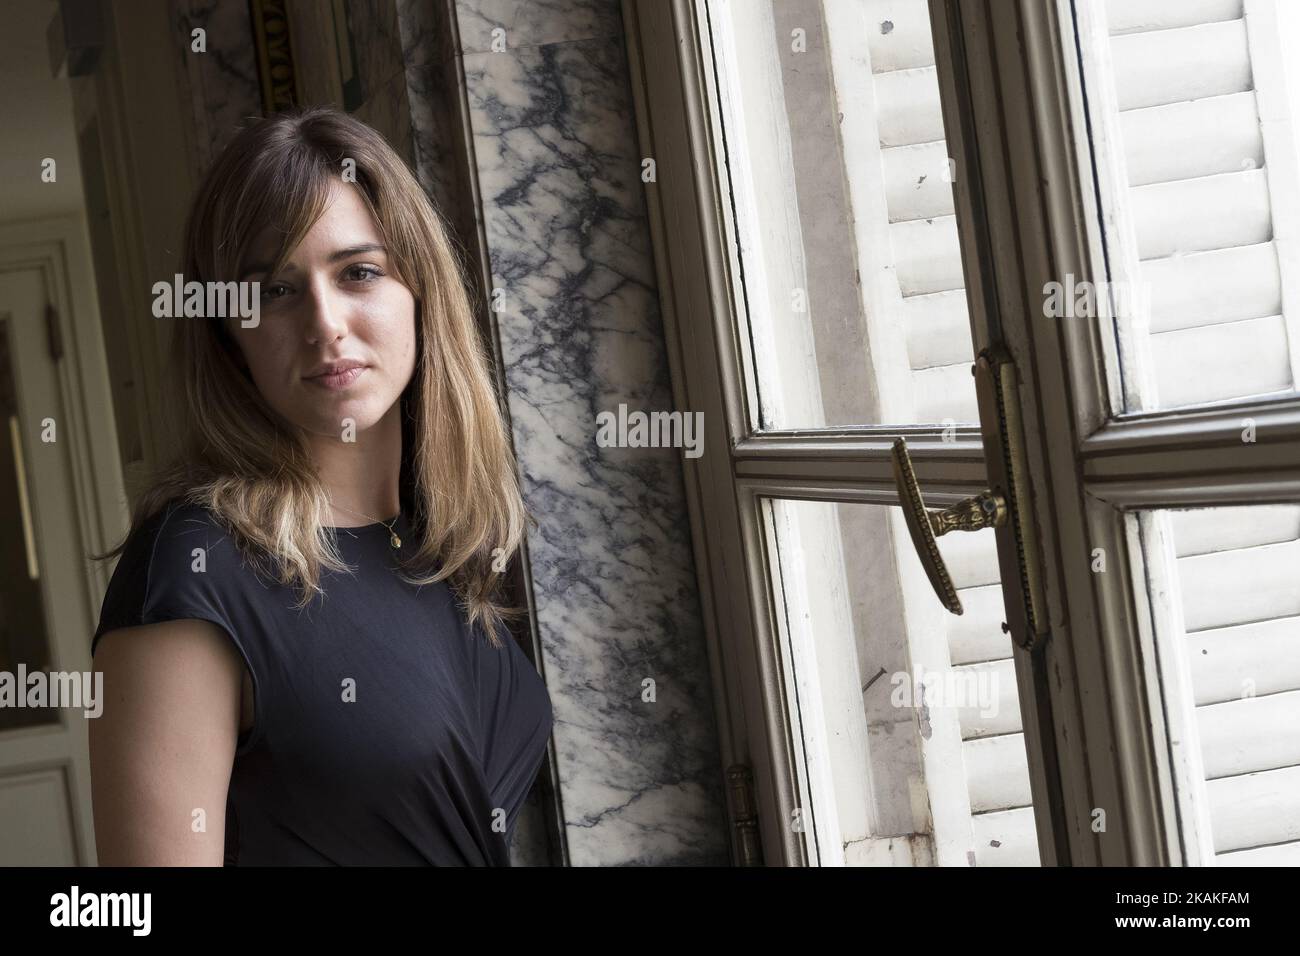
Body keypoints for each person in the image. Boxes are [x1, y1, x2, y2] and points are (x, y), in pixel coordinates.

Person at [88, 106, 553, 866]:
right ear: (229, 340)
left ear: (420, 290)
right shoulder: (196, 569)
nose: (326, 323)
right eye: (275, 290)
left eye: (359, 272)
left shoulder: (435, 539)